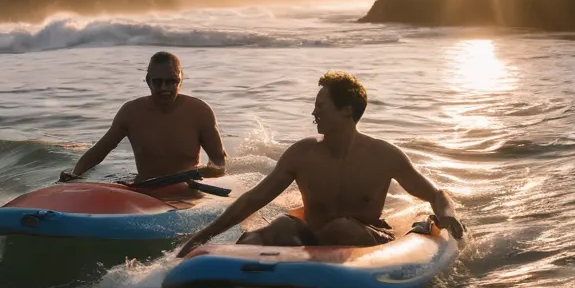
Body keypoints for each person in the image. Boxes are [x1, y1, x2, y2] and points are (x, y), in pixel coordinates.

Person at [176, 71, 462, 257]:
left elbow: (436, 194)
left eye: (321, 106)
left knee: (340, 228)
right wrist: (201, 237)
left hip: (362, 236)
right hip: (309, 234)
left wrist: (448, 218)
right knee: (278, 231)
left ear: (347, 110)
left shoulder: (383, 156)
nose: (313, 112)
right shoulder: (303, 153)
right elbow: (254, 199)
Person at [59, 51, 226, 183]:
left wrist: (205, 173)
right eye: (157, 81)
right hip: (145, 189)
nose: (164, 88)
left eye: (171, 81)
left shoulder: (200, 112)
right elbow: (100, 150)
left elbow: (219, 162)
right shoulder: (131, 112)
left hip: (187, 190)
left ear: (180, 80)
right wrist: (75, 174)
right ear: (148, 81)